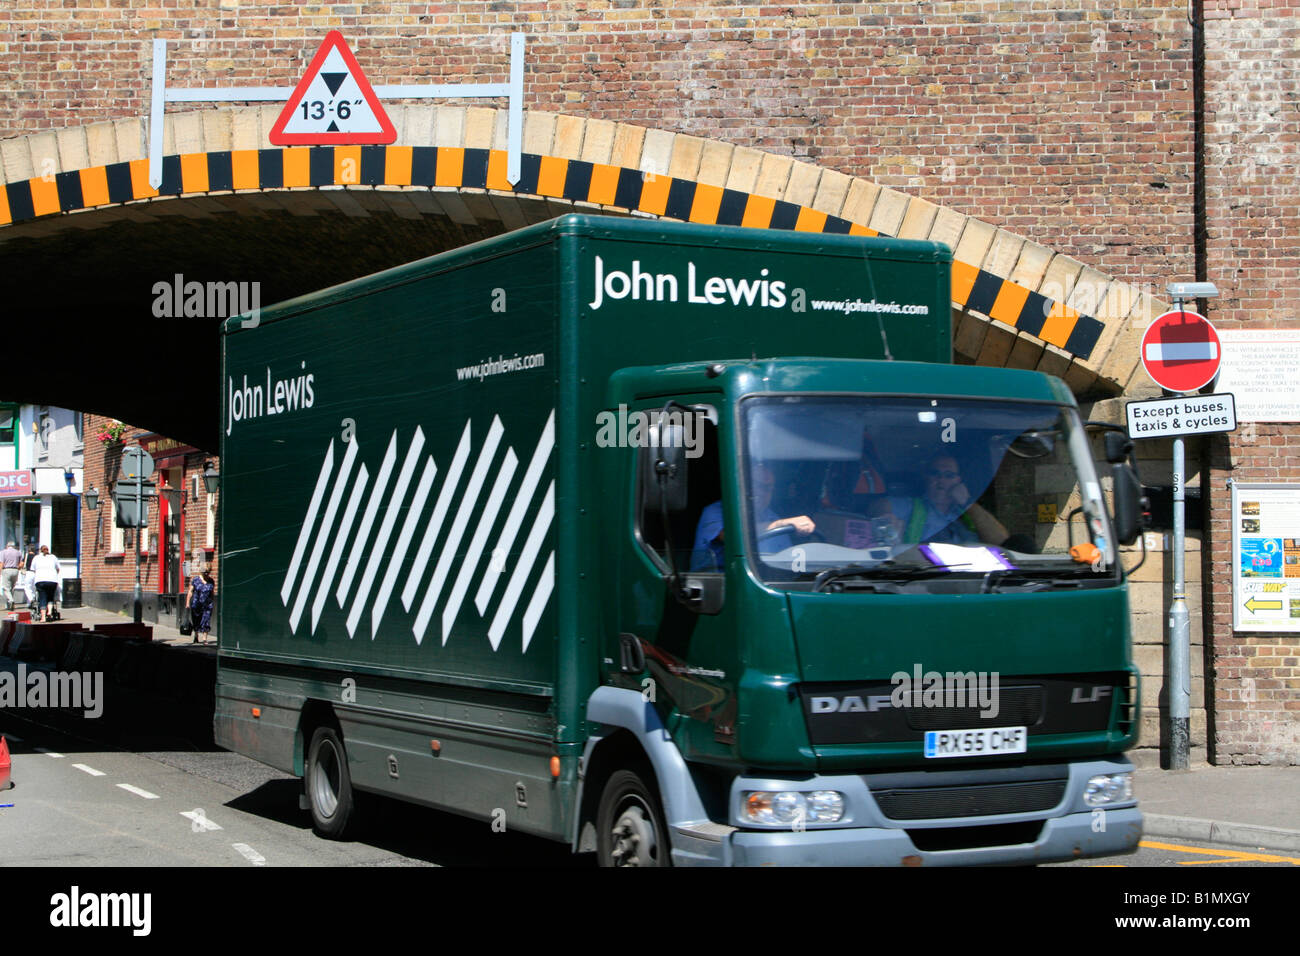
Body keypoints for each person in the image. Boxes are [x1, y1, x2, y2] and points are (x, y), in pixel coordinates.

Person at [691, 464, 815, 570]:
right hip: (723, 587)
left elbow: (786, 560)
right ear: (743, 485)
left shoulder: (771, 516)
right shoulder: (716, 511)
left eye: (768, 488)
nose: (764, 493)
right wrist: (778, 525)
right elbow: (732, 537)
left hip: (768, 581)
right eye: (758, 486)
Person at [888, 453, 1009, 546]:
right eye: (934, 473)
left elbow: (1001, 541)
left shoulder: (969, 513)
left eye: (949, 475)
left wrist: (967, 503)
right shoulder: (910, 505)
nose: (941, 480)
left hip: (971, 574)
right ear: (926, 477)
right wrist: (885, 514)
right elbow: (876, 506)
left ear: (958, 481)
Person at [30, 545, 61, 623]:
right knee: (50, 597)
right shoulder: (53, 557)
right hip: (52, 580)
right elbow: (58, 569)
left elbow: (33, 570)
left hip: (40, 580)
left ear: (40, 550)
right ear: (48, 550)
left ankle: (43, 617)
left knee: (42, 597)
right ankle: (50, 612)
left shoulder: (36, 558)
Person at [186, 565, 215, 643]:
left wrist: (212, 602)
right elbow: (190, 591)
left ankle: (204, 638)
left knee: (206, 620)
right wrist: (187, 602)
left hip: (207, 604)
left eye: (208, 572)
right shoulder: (195, 580)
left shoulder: (211, 581)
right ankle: (196, 636)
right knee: (196, 620)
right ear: (201, 572)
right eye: (205, 572)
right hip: (196, 603)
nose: (206, 574)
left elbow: (212, 593)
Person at [0, 541, 21, 612]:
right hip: (15, 570)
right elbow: (21, 563)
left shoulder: (3, 552)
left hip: (7, 570)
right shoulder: (18, 552)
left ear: (7, 545)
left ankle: (11, 601)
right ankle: (8, 604)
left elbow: (1, 563)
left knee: (6, 588)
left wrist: (0, 571)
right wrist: (18, 568)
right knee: (12, 588)